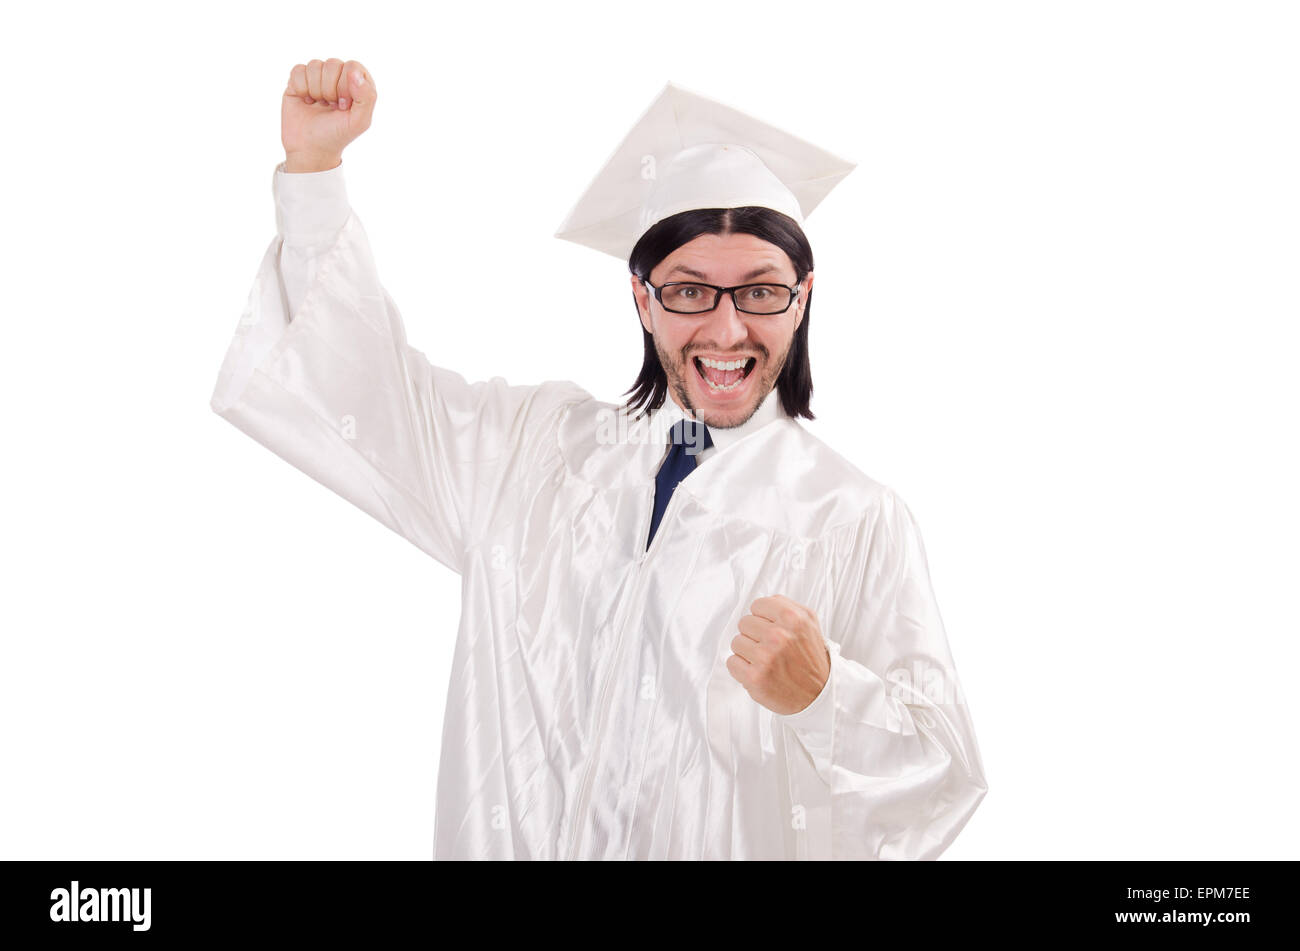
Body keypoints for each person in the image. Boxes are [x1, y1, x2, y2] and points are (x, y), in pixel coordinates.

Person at [211, 58, 989, 860]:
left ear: (803, 294)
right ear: (642, 297)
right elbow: (360, 397)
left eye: (759, 289)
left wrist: (828, 695)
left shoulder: (850, 518)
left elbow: (942, 776)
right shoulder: (530, 453)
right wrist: (313, 173)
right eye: (690, 290)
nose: (727, 331)